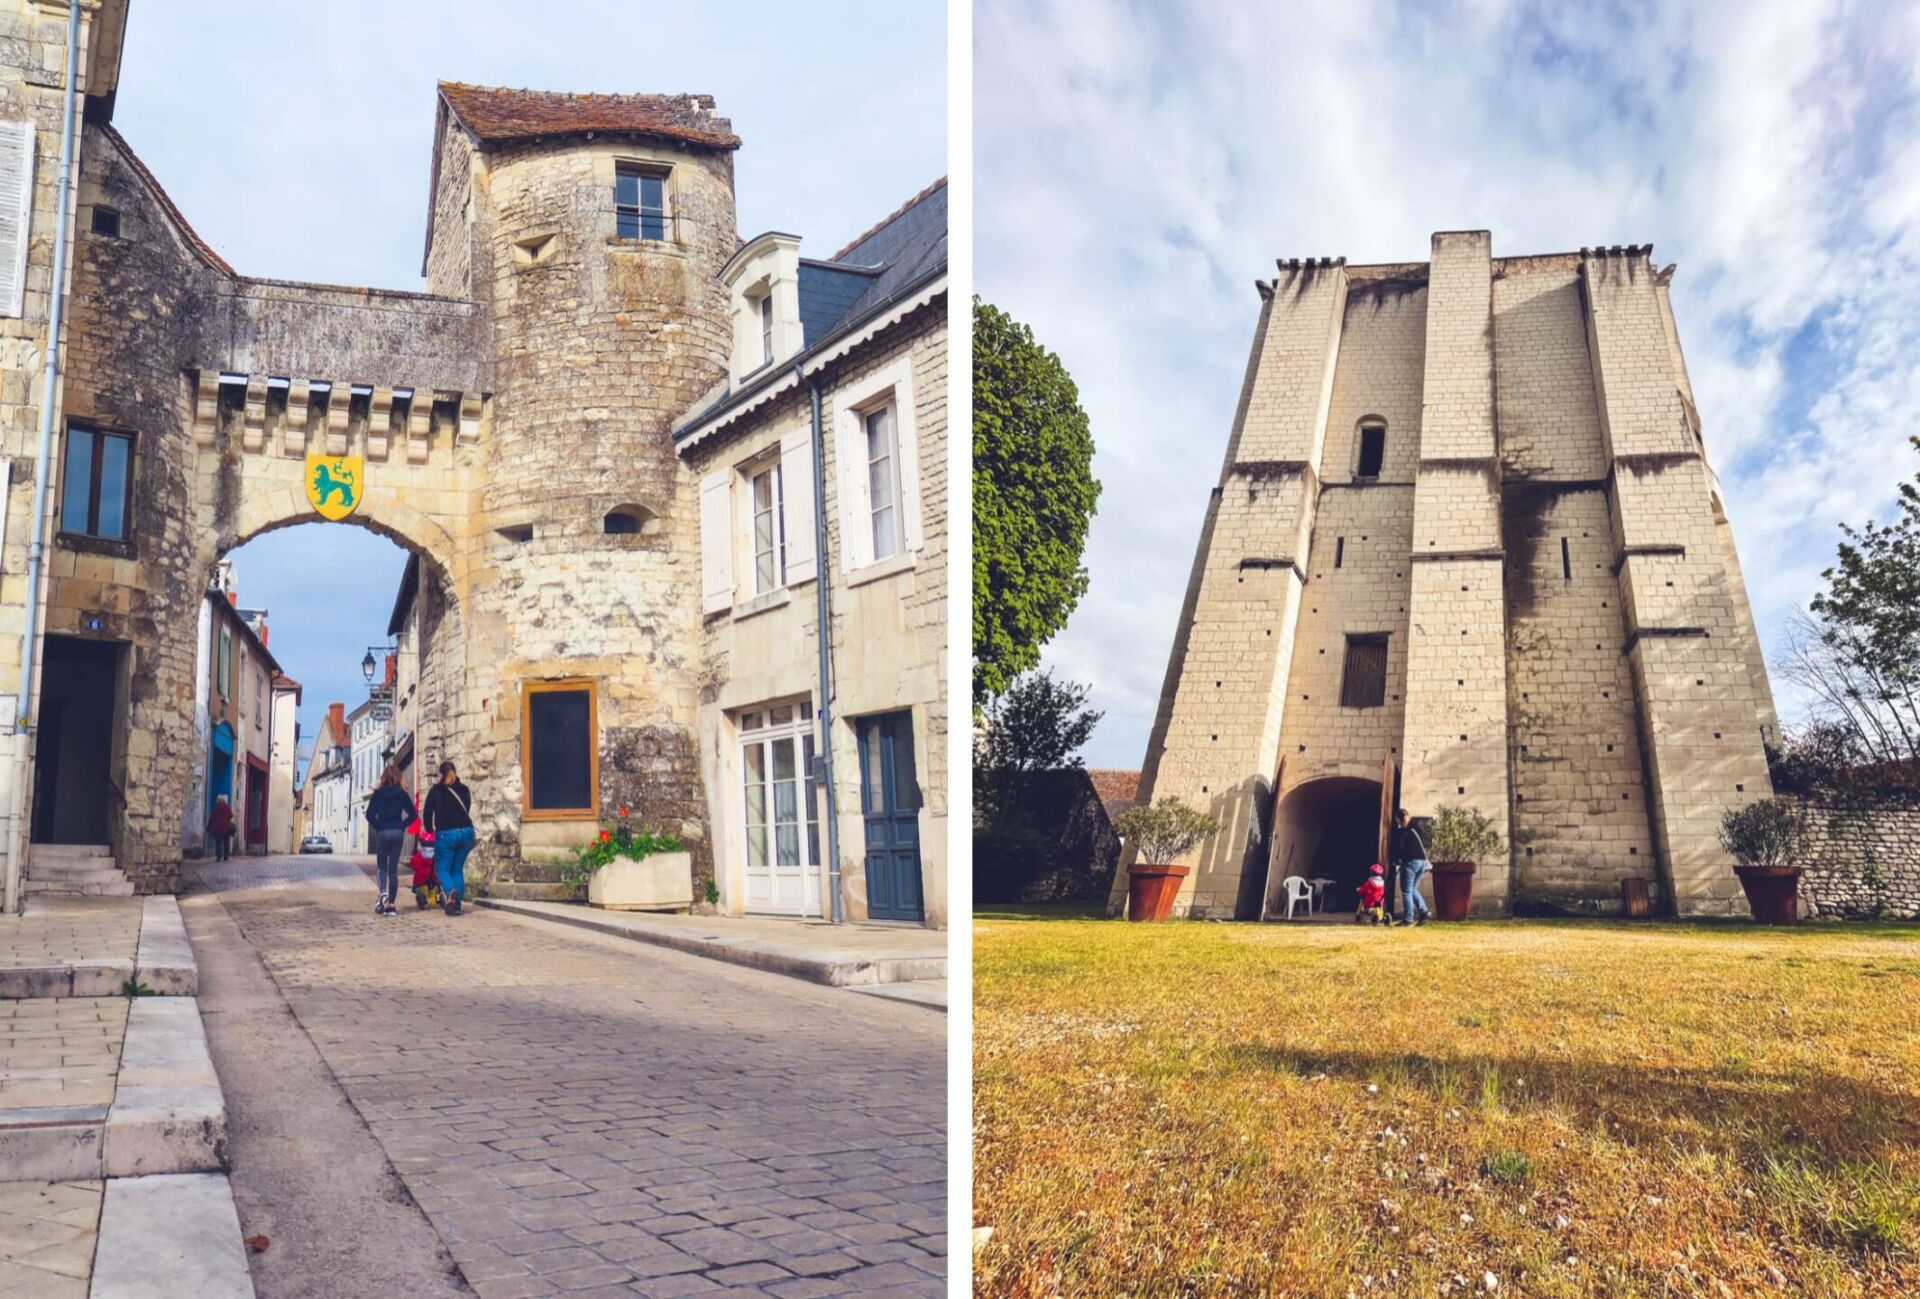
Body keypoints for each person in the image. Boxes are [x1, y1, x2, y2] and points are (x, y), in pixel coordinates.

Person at [421, 759, 474, 916]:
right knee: (457, 869)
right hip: (466, 831)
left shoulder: (436, 790)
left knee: (442, 868)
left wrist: (430, 830)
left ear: (441, 775)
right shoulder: (464, 789)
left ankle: (451, 892)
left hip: (446, 833)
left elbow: (427, 813)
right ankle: (455, 905)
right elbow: (467, 809)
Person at [364, 765, 417, 917]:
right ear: (398, 777)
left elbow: (369, 815)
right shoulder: (401, 794)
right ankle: (392, 905)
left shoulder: (378, 794)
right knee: (393, 868)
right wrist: (402, 826)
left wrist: (379, 826)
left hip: (383, 832)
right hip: (397, 832)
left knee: (381, 865)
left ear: (383, 778)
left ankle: (383, 893)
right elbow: (413, 814)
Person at [1390, 808, 1431, 927]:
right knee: (1412, 889)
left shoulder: (1402, 832)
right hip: (1422, 862)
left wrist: (1395, 860)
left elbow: (1399, 848)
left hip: (1410, 862)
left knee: (1406, 891)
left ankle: (1408, 919)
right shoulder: (1414, 829)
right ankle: (1424, 911)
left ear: (1398, 819)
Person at [206, 795, 234, 862]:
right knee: (226, 843)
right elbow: (231, 815)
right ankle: (226, 856)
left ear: (217, 801)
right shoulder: (227, 808)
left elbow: (211, 819)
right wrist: (226, 819)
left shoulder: (216, 809)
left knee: (218, 843)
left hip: (217, 829)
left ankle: (219, 856)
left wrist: (208, 828)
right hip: (225, 828)